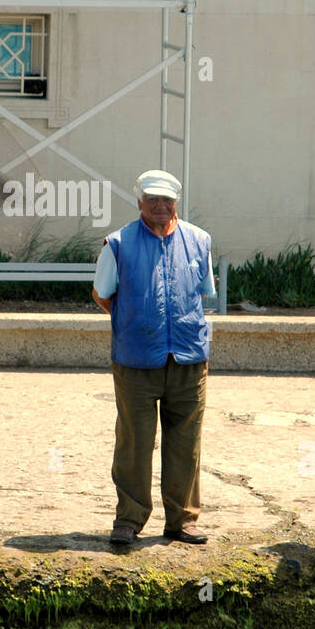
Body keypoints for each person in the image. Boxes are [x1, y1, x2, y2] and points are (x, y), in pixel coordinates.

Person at [91, 170, 216, 546]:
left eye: (167, 200)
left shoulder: (199, 240)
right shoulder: (118, 243)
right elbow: (101, 294)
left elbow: (203, 292)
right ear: (139, 202)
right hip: (135, 361)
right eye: (153, 199)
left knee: (186, 442)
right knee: (134, 442)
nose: (160, 206)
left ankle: (182, 520)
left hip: (188, 359)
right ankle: (129, 519)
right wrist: (132, 320)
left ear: (176, 202)